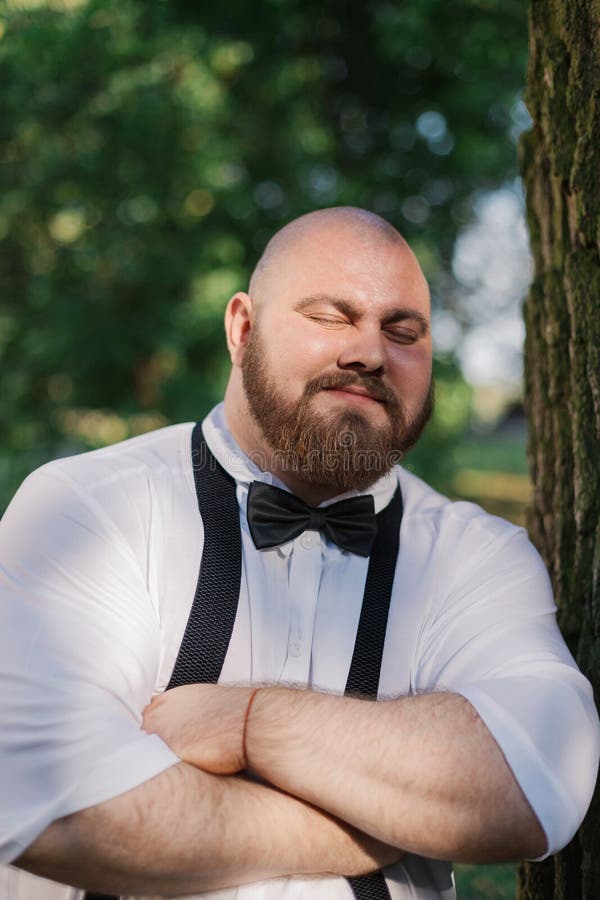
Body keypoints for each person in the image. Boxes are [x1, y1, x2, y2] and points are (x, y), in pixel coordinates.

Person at [1, 207, 598, 900]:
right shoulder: (86, 511)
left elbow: (534, 785)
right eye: (332, 317)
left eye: (402, 331)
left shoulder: (479, 558)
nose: (370, 353)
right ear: (242, 328)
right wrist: (375, 826)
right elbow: (52, 808)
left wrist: (249, 721)